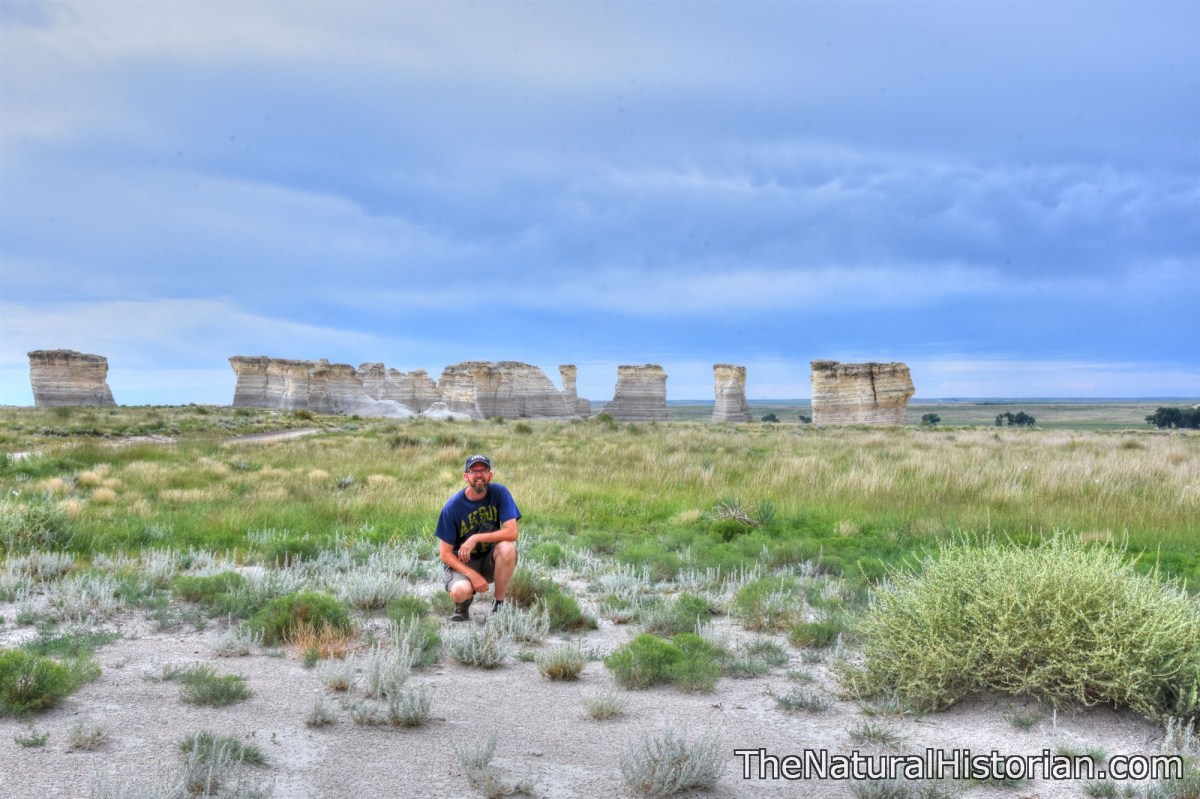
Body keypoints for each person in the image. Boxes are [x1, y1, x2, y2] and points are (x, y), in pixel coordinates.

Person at [435, 454, 520, 621]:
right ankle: (463, 603)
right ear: (466, 476)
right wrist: (472, 575)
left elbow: (512, 532)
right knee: (460, 591)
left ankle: (499, 605)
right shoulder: (452, 507)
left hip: (489, 559)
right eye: (474, 471)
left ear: (491, 475)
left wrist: (475, 538)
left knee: (508, 548)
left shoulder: (500, 493)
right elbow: (445, 554)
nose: (479, 475)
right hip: (463, 562)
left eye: (484, 470)